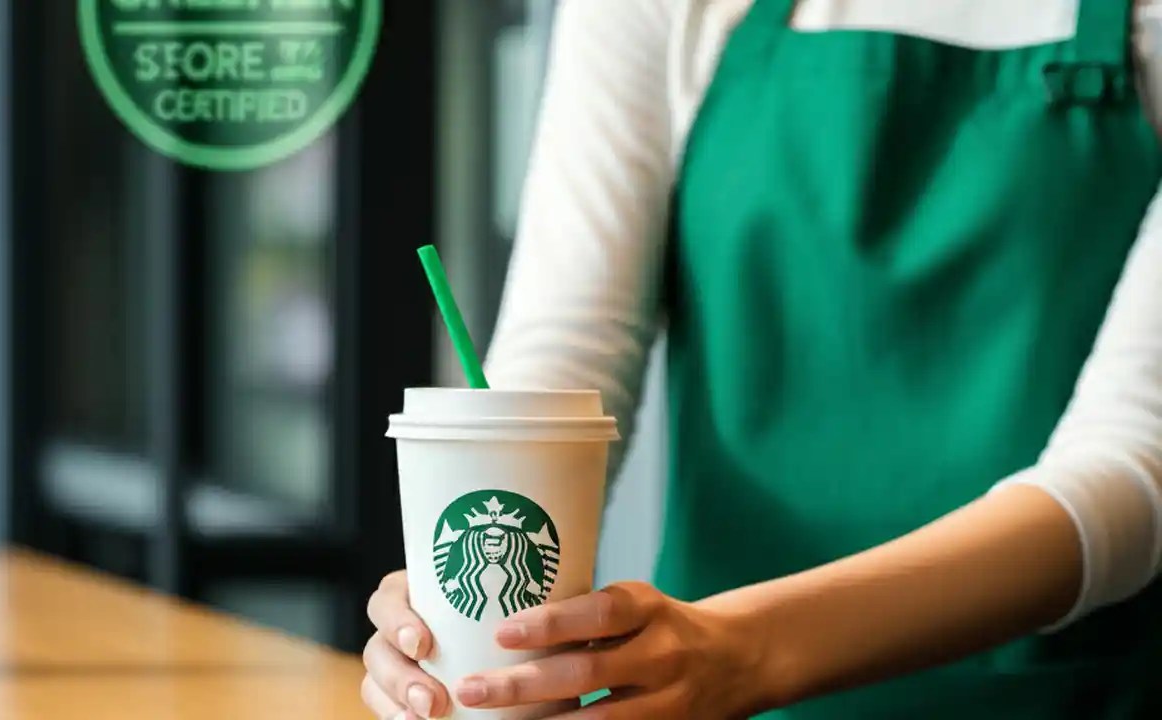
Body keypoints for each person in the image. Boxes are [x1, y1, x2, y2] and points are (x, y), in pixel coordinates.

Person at [362, 1, 1162, 717]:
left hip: (1059, 693)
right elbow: (571, 345)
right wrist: (469, 625)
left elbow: (1137, 457)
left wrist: (751, 651)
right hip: (701, 686)